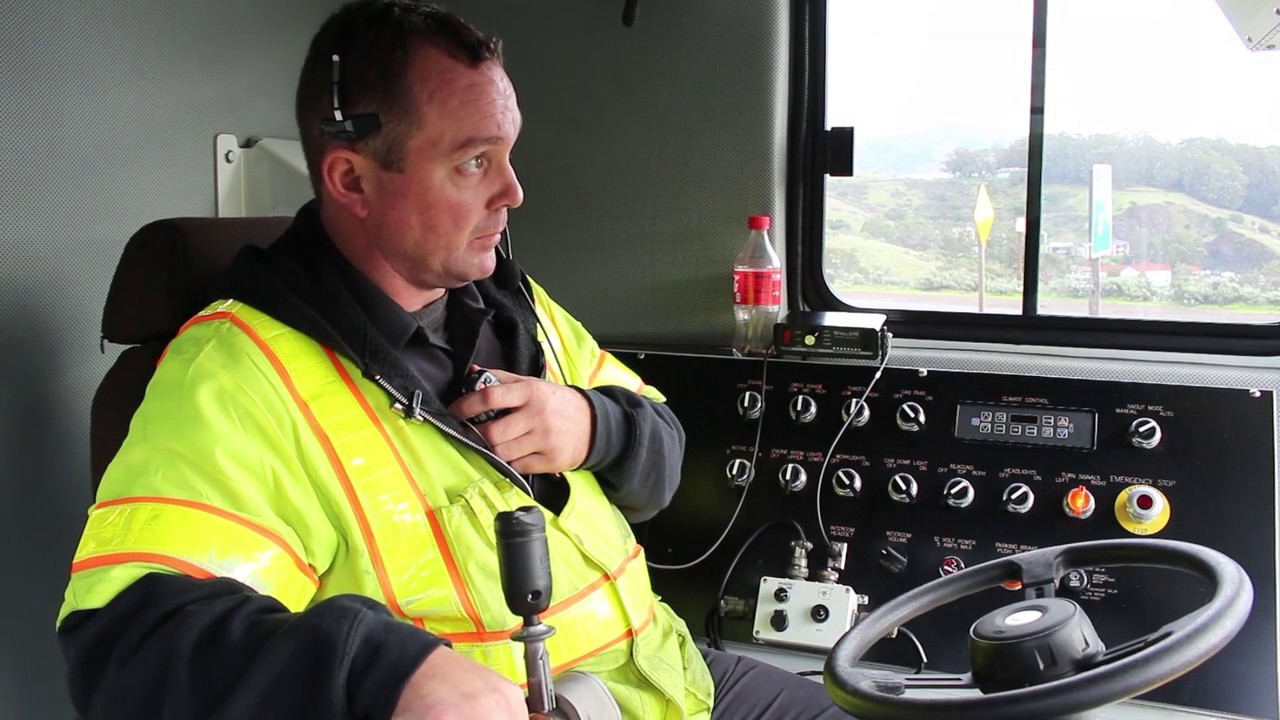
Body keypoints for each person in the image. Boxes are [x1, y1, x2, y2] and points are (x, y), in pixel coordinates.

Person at [57, 1, 849, 718]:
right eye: (474, 161)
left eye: (508, 154)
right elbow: (130, 641)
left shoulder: (510, 302)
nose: (513, 191)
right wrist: (384, 673)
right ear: (352, 179)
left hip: (670, 681)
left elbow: (663, 459)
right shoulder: (235, 376)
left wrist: (593, 424)